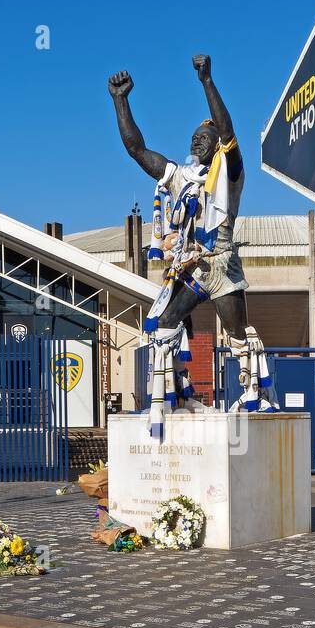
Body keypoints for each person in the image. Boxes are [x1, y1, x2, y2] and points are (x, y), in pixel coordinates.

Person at [109, 55, 274, 437]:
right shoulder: (182, 176)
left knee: (237, 336)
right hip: (195, 268)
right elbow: (138, 150)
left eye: (204, 137)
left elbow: (228, 129)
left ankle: (254, 395)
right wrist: (120, 101)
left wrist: (206, 81)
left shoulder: (230, 172)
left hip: (223, 264)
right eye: (193, 138)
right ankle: (175, 397)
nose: (196, 140)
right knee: (164, 324)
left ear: (218, 144)